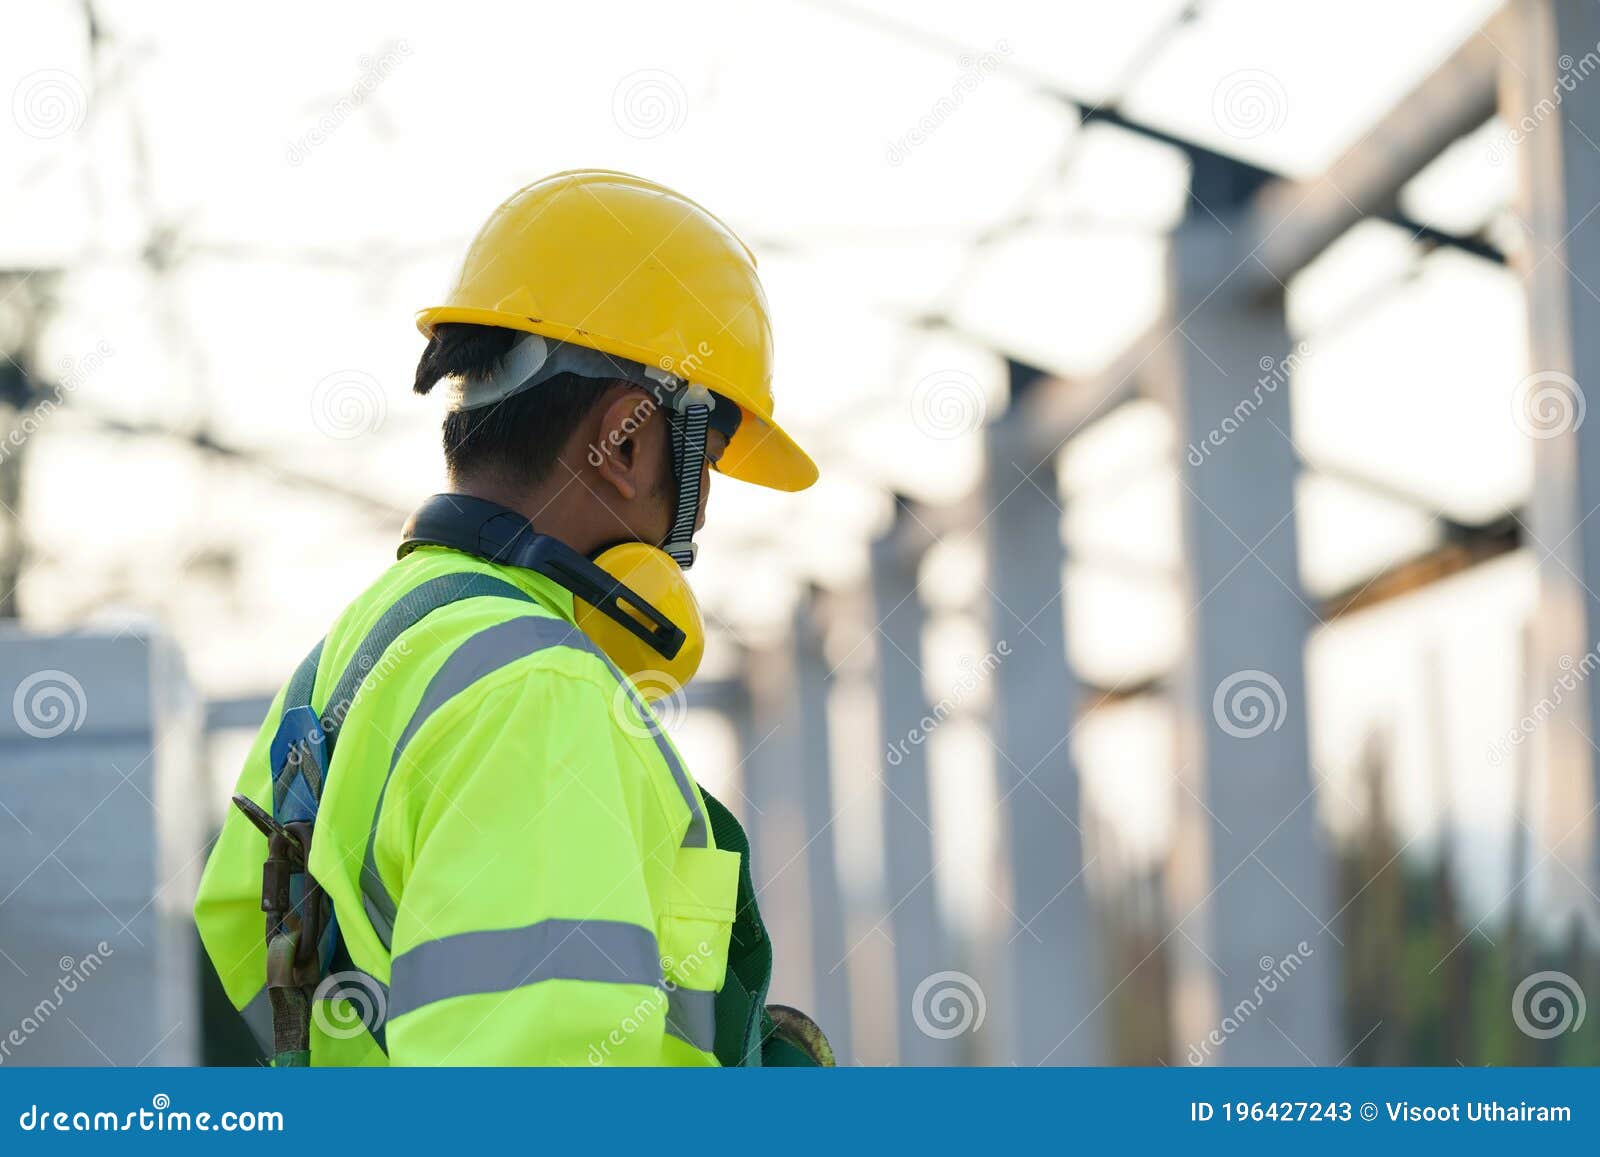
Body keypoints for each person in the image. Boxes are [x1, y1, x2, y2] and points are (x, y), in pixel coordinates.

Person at [193, 170, 831, 1067]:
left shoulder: (360, 649)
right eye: (702, 466)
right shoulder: (541, 694)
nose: (699, 516)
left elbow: (239, 985)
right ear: (630, 442)